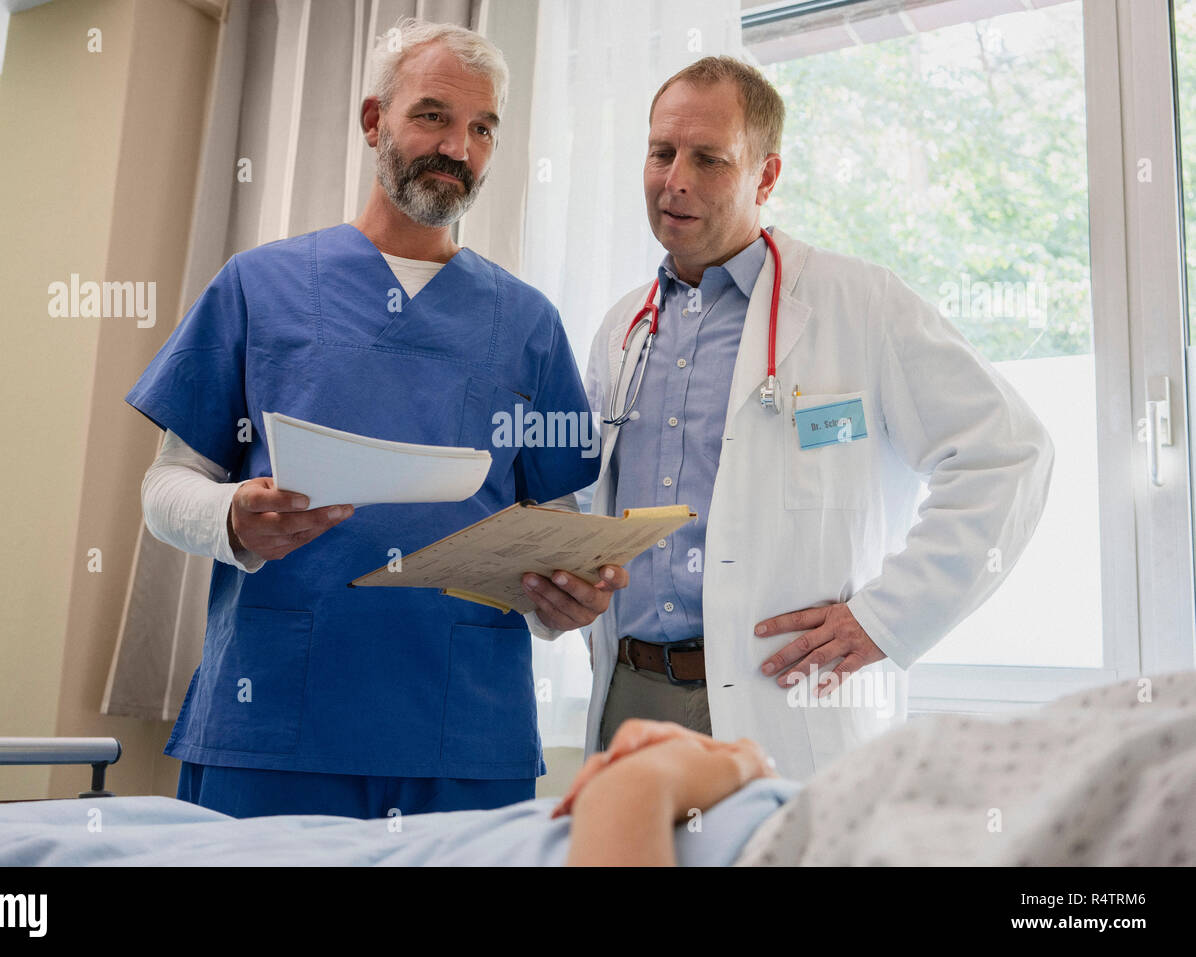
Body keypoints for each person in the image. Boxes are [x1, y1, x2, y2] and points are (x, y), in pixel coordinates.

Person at [126, 18, 627, 819]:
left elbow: (552, 519)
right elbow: (165, 485)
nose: (458, 148)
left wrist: (561, 603)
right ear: (373, 122)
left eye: (483, 129)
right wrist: (230, 518)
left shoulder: (528, 323)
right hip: (280, 718)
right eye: (433, 115)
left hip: (463, 731)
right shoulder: (258, 286)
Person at [580, 56, 1054, 779]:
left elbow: (1009, 453)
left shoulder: (860, 304)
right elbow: (588, 512)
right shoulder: (623, 328)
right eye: (661, 152)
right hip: (631, 698)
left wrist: (886, 618)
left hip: (785, 703)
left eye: (708, 159)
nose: (674, 179)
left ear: (765, 178)